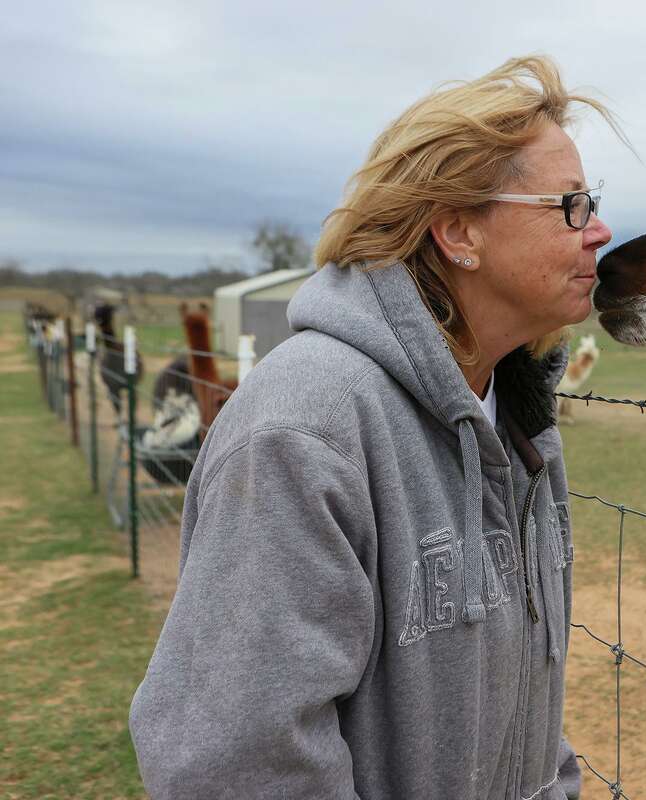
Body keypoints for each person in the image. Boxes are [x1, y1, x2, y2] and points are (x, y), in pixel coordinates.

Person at [129, 55, 619, 799]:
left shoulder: (516, 422)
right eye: (571, 206)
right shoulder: (305, 431)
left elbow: (512, 705)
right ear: (459, 233)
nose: (601, 231)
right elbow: (236, 765)